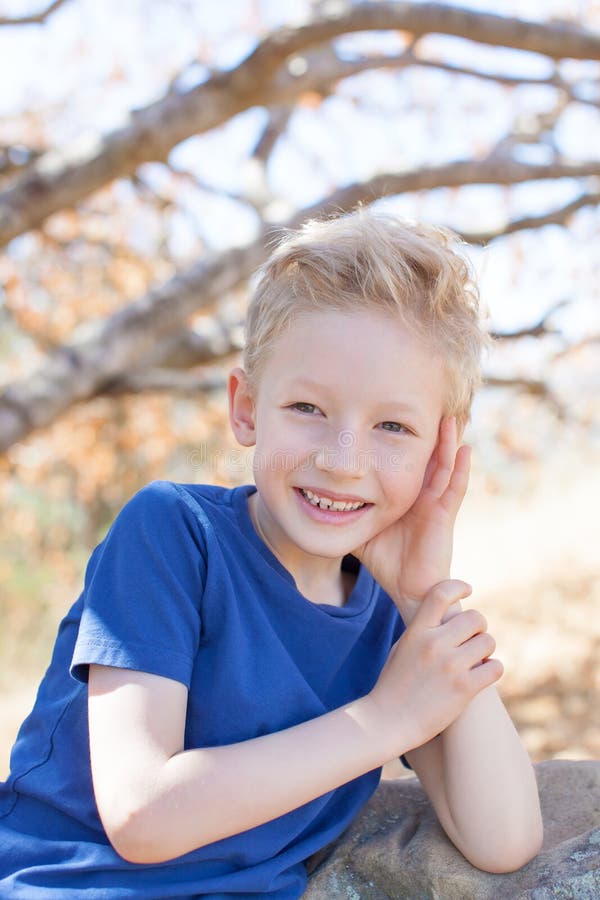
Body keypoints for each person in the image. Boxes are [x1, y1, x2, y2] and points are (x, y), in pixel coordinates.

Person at [0, 210, 543, 898]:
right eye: (308, 409)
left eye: (392, 426)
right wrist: (385, 720)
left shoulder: (389, 617)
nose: (343, 461)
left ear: (440, 449)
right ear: (247, 407)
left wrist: (423, 597)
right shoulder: (174, 534)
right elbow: (142, 816)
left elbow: (504, 837)